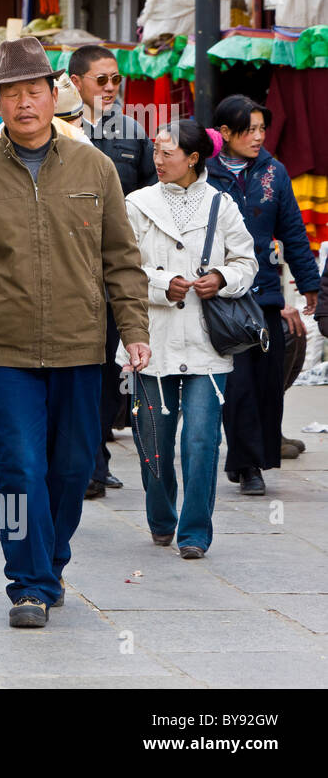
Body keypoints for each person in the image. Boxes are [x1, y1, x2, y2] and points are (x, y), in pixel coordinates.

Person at [0, 37, 151, 628]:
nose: (24, 103)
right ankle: (28, 583)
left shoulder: (94, 167)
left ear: (55, 94)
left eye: (35, 91)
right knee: (19, 467)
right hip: (3, 348)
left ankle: (49, 562)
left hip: (80, 344)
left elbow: (122, 258)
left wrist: (134, 328)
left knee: (72, 468)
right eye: (12, 94)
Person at [119, 120, 256, 558]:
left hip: (206, 343)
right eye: (156, 151)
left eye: (168, 153)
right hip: (150, 341)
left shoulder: (222, 205)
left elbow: (247, 262)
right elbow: (119, 268)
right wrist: (163, 284)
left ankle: (195, 532)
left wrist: (222, 278)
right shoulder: (137, 204)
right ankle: (162, 518)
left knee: (201, 441)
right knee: (153, 443)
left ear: (193, 158)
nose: (157, 160)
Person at [207, 94, 319, 496]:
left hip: (266, 294)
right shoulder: (203, 174)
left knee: (267, 383)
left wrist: (308, 283)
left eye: (261, 129)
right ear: (225, 132)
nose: (258, 137)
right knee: (238, 385)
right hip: (223, 296)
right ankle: (247, 465)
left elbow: (292, 231)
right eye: (249, 130)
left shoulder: (274, 172)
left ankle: (256, 457)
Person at [66, 45, 155, 499]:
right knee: (75, 370)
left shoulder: (133, 132)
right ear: (75, 82)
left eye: (116, 79)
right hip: (67, 271)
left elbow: (150, 197)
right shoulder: (59, 131)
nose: (110, 88)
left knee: (107, 370)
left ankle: (96, 459)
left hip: (113, 273)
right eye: (101, 80)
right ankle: (81, 461)